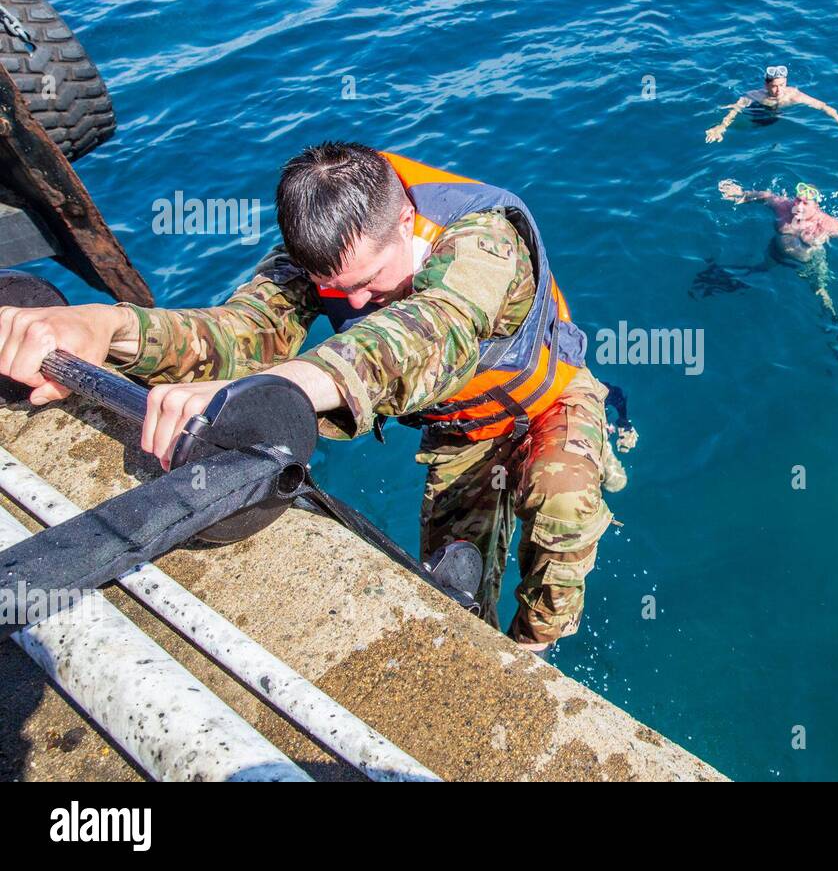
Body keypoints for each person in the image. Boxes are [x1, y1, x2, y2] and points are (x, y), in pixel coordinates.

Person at [0, 142, 632, 656]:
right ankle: (485, 648)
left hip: (549, 400)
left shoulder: (483, 243)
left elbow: (433, 328)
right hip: (463, 430)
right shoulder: (317, 261)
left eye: (369, 284)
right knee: (450, 590)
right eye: (336, 289)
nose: (353, 304)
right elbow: (239, 332)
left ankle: (534, 648)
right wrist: (108, 327)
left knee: (562, 506)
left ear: (406, 225)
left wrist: (280, 389)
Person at [691, 180, 838, 381]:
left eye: (806, 203)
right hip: (776, 253)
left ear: (817, 205)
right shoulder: (784, 207)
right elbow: (765, 196)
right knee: (759, 271)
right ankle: (726, 282)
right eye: (798, 200)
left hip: (809, 263)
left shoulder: (827, 223)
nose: (799, 206)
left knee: (821, 294)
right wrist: (740, 194)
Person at [705, 66, 838, 143]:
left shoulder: (794, 96)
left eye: (782, 85)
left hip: (778, 116)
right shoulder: (754, 95)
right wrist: (722, 127)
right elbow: (735, 109)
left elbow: (823, 106)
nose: (779, 90)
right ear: (766, 85)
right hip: (758, 113)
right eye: (774, 86)